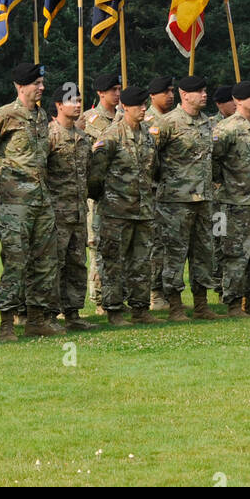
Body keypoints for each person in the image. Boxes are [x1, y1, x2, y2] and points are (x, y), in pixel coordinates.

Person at [0, 64, 60, 339]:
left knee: (44, 261)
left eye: (42, 83)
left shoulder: (40, 115)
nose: (42, 88)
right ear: (20, 86)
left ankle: (36, 319)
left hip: (41, 199)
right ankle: (7, 323)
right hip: (15, 203)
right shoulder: (5, 115)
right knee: (15, 261)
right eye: (36, 83)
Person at [87, 85, 157, 325]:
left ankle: (140, 309)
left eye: (145, 105)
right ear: (125, 107)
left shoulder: (148, 134)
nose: (143, 109)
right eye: (138, 106)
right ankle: (114, 310)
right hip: (116, 211)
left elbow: (153, 168)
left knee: (142, 262)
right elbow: (95, 175)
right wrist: (107, 200)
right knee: (113, 262)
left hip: (143, 210)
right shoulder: (111, 135)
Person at [150, 73, 217, 322]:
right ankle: (175, 306)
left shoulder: (208, 123)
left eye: (205, 90)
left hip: (203, 199)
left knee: (203, 253)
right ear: (185, 95)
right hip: (175, 201)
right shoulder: (168, 123)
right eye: (199, 91)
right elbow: (150, 157)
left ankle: (201, 304)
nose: (204, 95)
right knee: (174, 254)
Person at [211, 80, 250, 316]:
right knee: (235, 254)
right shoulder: (226, 129)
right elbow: (214, 161)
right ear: (237, 100)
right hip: (234, 202)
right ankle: (233, 302)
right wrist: (222, 183)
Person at [49, 87, 93, 331]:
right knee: (55, 264)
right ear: (58, 105)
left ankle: (73, 312)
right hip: (56, 214)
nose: (77, 105)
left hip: (78, 212)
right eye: (71, 101)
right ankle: (50, 314)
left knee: (77, 263)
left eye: (79, 101)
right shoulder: (49, 136)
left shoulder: (83, 138)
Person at [83, 73, 122, 312]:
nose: (117, 94)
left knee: (119, 247)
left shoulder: (124, 117)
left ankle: (117, 296)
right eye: (112, 90)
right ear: (100, 93)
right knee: (97, 245)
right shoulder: (89, 119)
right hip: (99, 194)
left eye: (119, 89)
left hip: (122, 193)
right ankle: (99, 299)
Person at [145, 74, 176, 310]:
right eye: (166, 91)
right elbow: (148, 160)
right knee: (155, 245)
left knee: (171, 245)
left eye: (172, 91)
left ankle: (168, 291)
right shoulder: (149, 121)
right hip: (154, 192)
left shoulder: (174, 120)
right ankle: (155, 293)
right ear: (153, 95)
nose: (171, 96)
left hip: (175, 194)